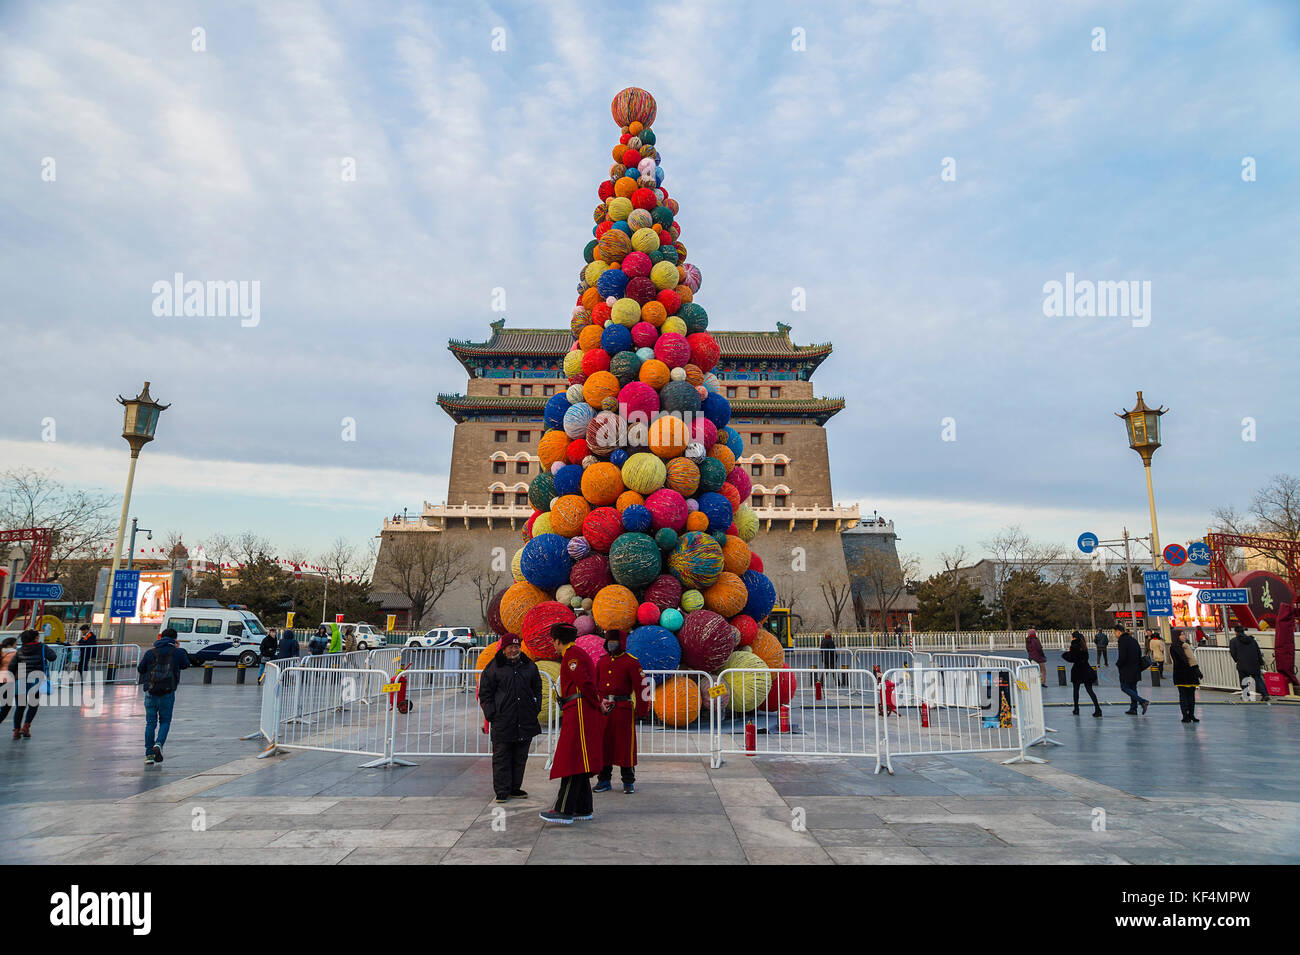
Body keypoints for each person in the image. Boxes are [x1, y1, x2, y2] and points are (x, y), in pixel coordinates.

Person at [541, 622, 603, 825]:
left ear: (558, 641)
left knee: (572, 759)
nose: (553, 644)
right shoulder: (575, 654)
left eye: (554, 641)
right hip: (577, 709)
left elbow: (584, 683)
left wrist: (597, 703)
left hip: (579, 711)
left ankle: (563, 809)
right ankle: (583, 807)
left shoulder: (572, 656)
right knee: (579, 760)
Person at [478, 633, 542, 803]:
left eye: (516, 646)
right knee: (501, 756)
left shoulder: (529, 666)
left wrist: (535, 708)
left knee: (520, 757)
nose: (514, 650)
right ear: (504, 649)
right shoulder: (493, 667)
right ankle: (501, 790)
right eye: (510, 647)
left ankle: (515, 787)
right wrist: (492, 713)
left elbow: (537, 688)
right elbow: (485, 693)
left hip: (525, 719)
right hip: (503, 720)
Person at [594, 629, 649, 794]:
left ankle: (628, 781)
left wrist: (642, 710)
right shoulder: (601, 662)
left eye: (615, 641)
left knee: (625, 746)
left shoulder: (631, 662)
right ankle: (604, 780)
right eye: (609, 641)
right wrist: (597, 704)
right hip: (604, 709)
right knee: (604, 744)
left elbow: (642, 687)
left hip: (623, 708)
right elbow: (596, 686)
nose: (611, 644)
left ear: (622, 643)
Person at [137, 627, 191, 765]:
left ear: (161, 638)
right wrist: (179, 649)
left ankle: (149, 755)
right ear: (175, 639)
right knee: (165, 721)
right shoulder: (177, 652)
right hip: (168, 691)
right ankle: (159, 744)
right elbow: (185, 665)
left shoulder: (151, 652)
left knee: (150, 723)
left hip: (151, 691)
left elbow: (140, 669)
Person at [5, 630, 57, 739]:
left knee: (20, 706)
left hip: (21, 679)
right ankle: (26, 726)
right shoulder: (42, 647)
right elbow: (53, 657)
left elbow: (11, 667)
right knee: (33, 705)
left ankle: (16, 731)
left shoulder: (20, 651)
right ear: (36, 638)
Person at [1063, 631, 1102, 717]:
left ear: (1074, 638)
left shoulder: (1074, 646)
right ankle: (1097, 708)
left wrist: (1066, 653)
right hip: (1086, 669)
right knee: (1090, 691)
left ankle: (1076, 709)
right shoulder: (1083, 645)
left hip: (1077, 670)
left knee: (1076, 691)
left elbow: (1072, 658)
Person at [1115, 625, 1149, 715]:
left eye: (1115, 632)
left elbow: (1123, 656)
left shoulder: (1122, 641)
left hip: (1126, 669)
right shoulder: (1133, 640)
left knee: (1124, 687)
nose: (1115, 634)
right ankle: (1133, 708)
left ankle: (1142, 701)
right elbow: (1138, 652)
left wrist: (1118, 664)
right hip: (1136, 668)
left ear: (1119, 631)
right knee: (1133, 688)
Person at [1229, 625, 1268, 702]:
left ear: (1235, 632)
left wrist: (1237, 660)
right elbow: (1258, 652)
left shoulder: (1233, 641)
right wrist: (1260, 662)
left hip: (1242, 663)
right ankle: (1265, 694)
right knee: (1258, 679)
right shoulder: (1252, 640)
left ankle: (1246, 695)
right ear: (1243, 631)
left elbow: (1233, 653)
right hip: (1254, 663)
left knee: (1244, 680)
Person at [1169, 628, 1200, 723]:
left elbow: (1192, 659)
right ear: (1176, 636)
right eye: (1181, 634)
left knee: (1191, 695)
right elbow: (1182, 660)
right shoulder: (1175, 647)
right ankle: (1185, 715)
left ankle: (1191, 714)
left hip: (1190, 674)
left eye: (1183, 634)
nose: (1183, 636)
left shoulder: (1186, 646)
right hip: (1181, 674)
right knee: (1183, 696)